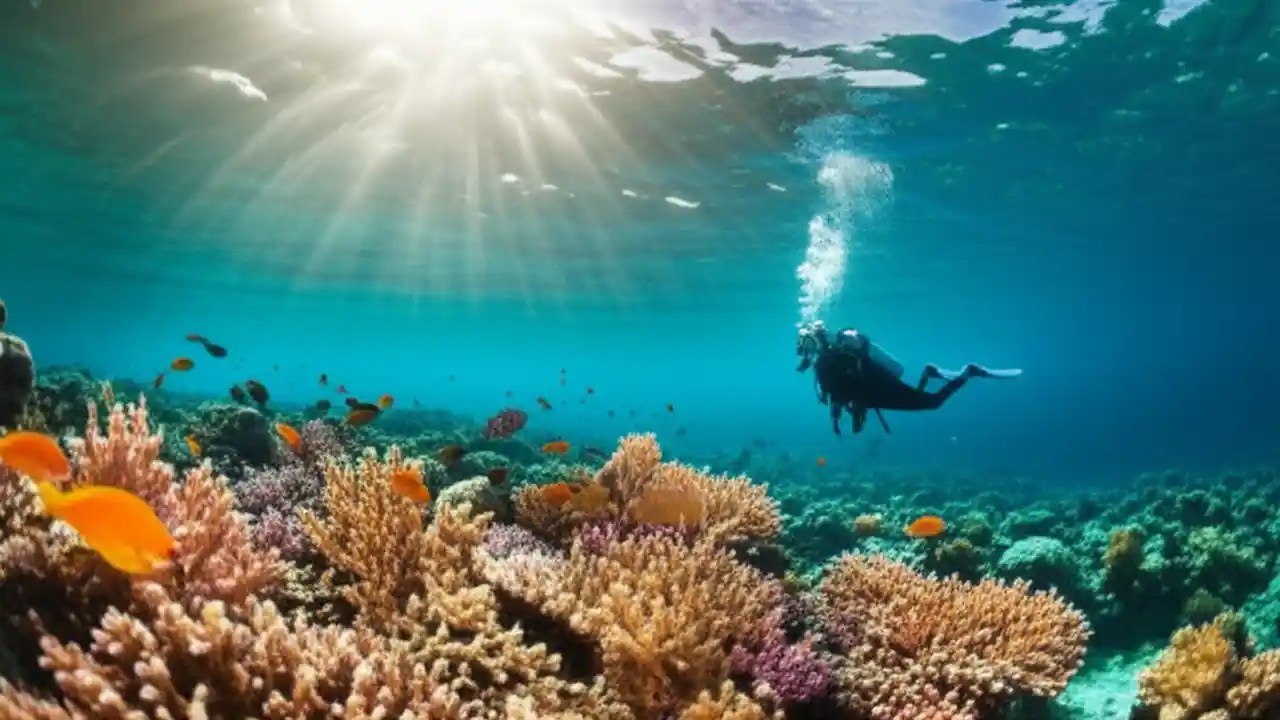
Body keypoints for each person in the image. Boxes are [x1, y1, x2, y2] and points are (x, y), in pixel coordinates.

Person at [795, 321, 1021, 435]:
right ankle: (928, 373)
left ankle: (968, 372)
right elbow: (839, 392)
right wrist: (837, 419)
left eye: (804, 349)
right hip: (879, 390)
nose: (804, 355)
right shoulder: (828, 360)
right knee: (924, 400)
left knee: (933, 403)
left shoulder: (826, 363)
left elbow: (838, 392)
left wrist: (836, 420)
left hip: (879, 391)